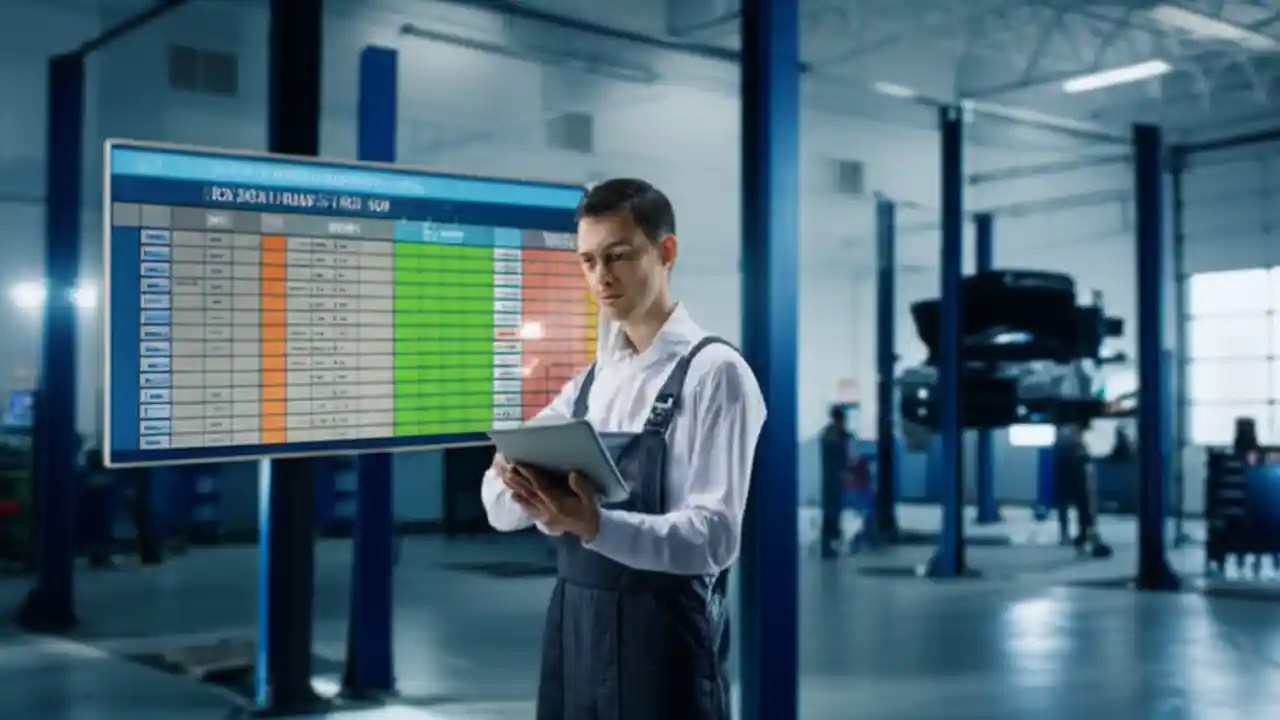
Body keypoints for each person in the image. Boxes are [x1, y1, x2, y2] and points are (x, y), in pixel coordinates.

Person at [480, 178, 766, 719]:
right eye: (587, 261)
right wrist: (520, 483)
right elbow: (497, 510)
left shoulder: (716, 375)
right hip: (574, 629)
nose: (601, 278)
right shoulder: (591, 383)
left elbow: (714, 539)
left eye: (618, 256)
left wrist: (593, 525)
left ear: (665, 252)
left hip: (664, 644)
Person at [819, 405, 851, 558]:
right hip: (832, 480)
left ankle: (831, 543)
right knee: (831, 513)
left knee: (834, 512)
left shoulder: (832, 434)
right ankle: (827, 546)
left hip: (834, 480)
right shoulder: (832, 435)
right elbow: (839, 457)